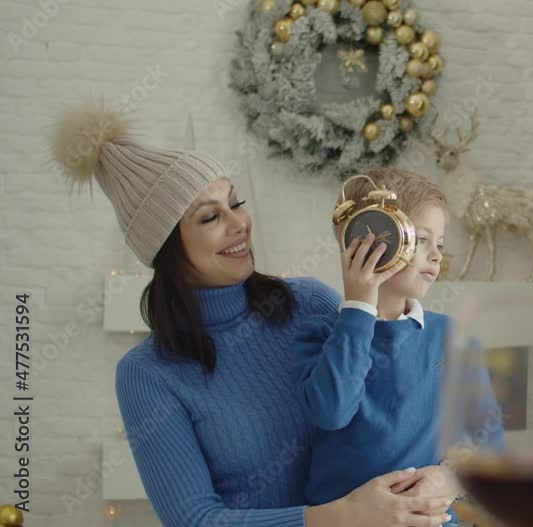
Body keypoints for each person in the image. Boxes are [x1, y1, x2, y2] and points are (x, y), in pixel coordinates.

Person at [50, 107, 454, 527]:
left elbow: (405, 405)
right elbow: (195, 519)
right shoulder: (147, 375)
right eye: (210, 217)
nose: (239, 224)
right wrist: (343, 516)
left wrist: (448, 478)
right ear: (167, 248)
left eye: (235, 203)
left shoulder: (310, 302)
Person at [292, 168, 505, 524]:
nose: (437, 256)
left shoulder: (454, 338)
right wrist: (359, 308)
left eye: (440, 244)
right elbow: (332, 412)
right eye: (421, 240)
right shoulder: (320, 335)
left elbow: (491, 437)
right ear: (371, 238)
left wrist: (448, 478)